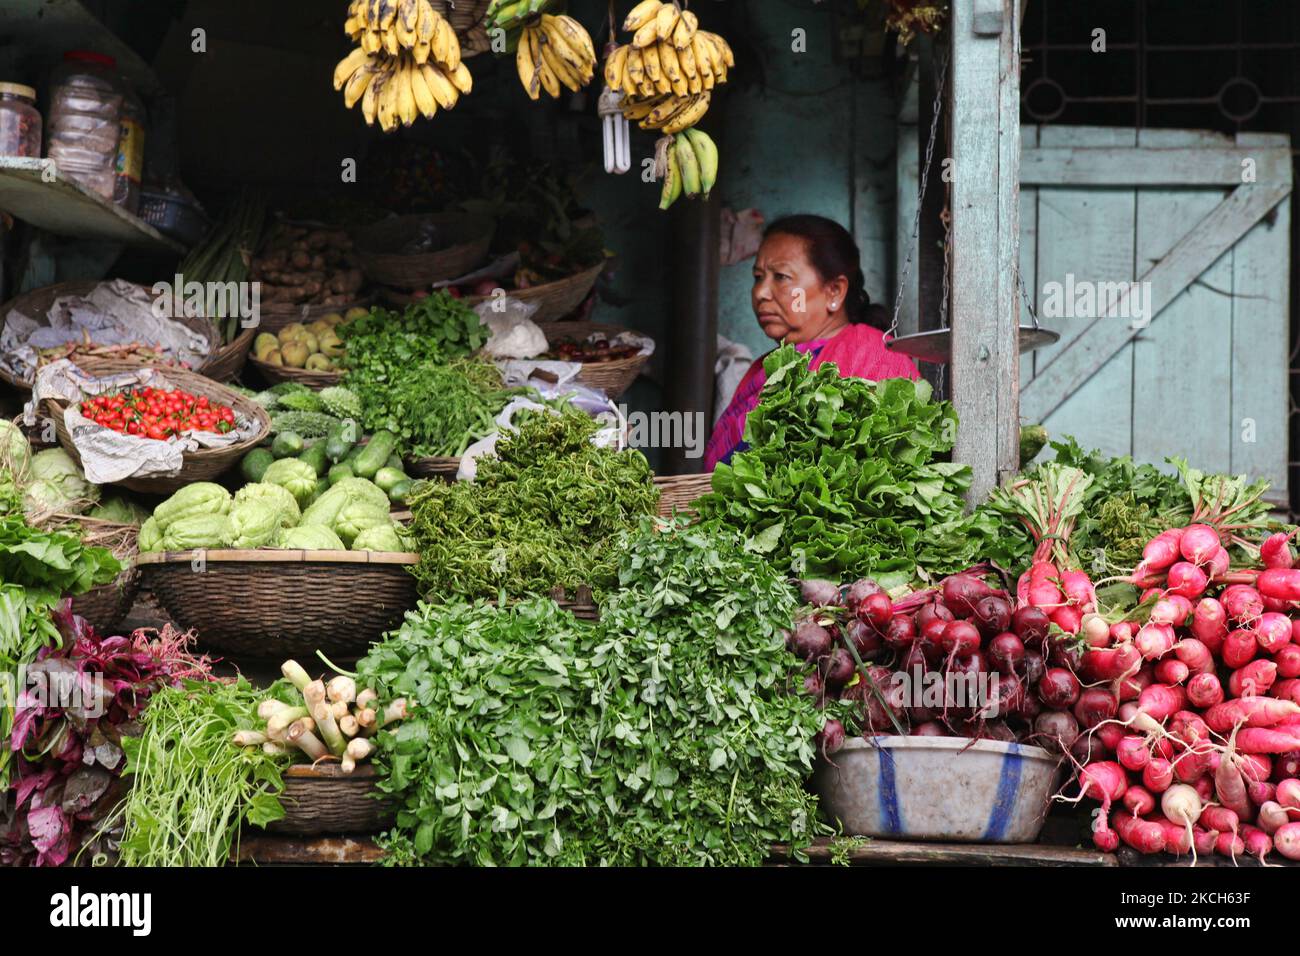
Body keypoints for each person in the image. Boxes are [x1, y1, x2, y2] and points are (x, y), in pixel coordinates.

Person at [704, 214, 922, 470]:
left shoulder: (873, 355)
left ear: (834, 291)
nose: (761, 293)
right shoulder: (765, 369)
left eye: (781, 277)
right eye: (758, 277)